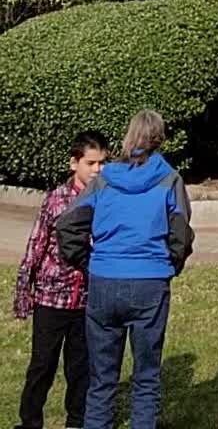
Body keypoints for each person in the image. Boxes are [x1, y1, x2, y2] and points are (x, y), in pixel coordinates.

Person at [55, 109, 194, 429]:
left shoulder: (103, 180)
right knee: (145, 378)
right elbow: (181, 235)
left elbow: (67, 226)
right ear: (160, 139)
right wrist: (167, 267)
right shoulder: (170, 179)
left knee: (101, 380)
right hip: (148, 283)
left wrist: (91, 263)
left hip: (105, 283)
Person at [13, 130, 110, 429]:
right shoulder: (56, 200)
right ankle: (30, 421)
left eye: (102, 163)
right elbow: (37, 243)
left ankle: (76, 421)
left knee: (80, 367)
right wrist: (23, 290)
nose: (97, 170)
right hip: (51, 297)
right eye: (91, 163)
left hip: (86, 299)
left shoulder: (107, 199)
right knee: (42, 365)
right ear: (74, 163)